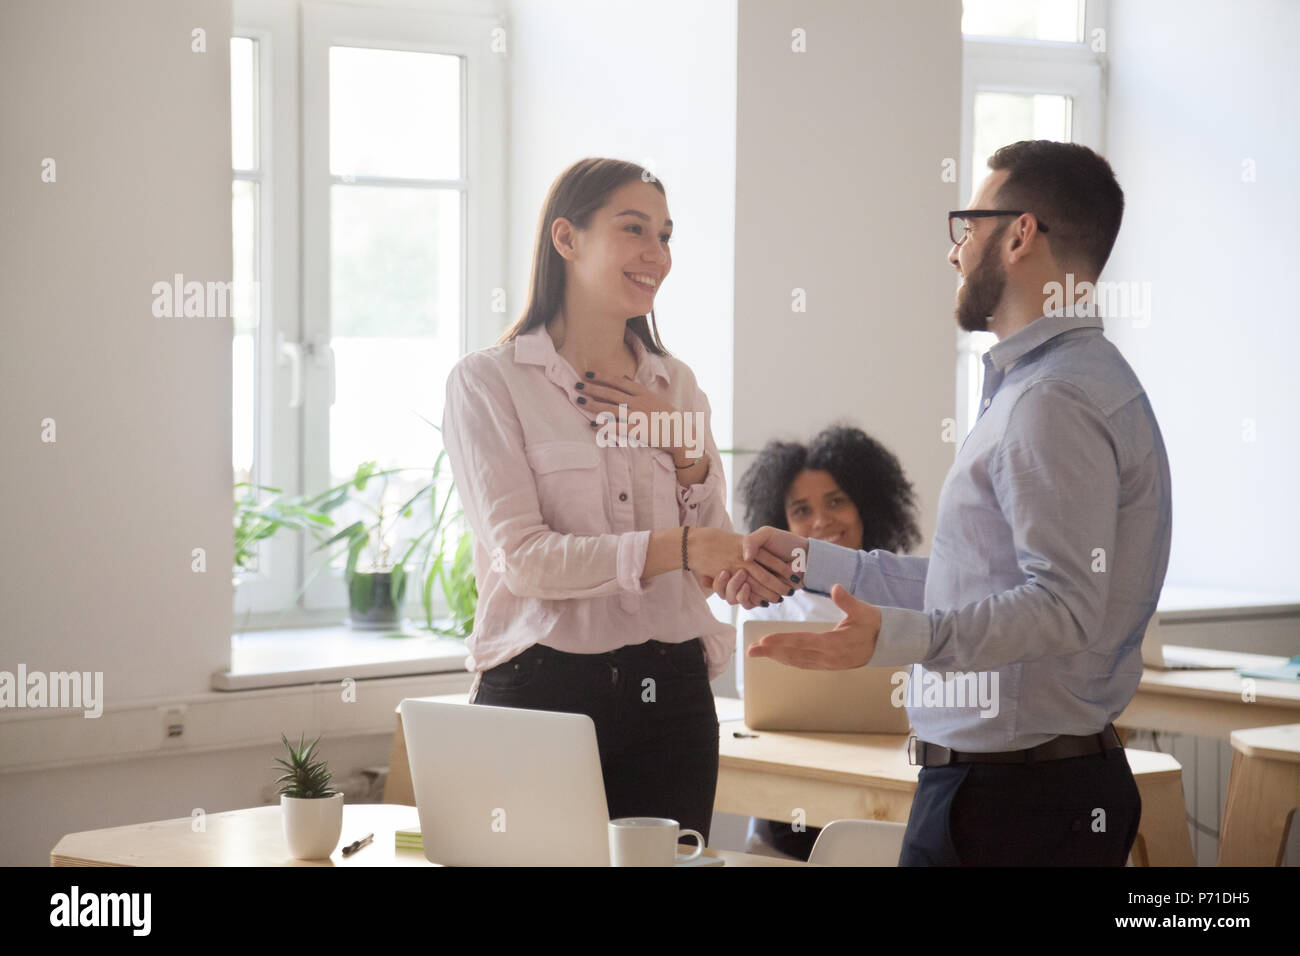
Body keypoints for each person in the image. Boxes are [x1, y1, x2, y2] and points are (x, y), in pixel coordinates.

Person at [719, 140, 1172, 866]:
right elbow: (975, 584)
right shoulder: (1054, 385)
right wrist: (810, 563)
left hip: (1012, 804)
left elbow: (1063, 605)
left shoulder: (1052, 399)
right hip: (1012, 791)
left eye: (968, 226)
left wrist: (895, 639)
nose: (955, 252)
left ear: (1020, 234)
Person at [440, 157, 795, 841]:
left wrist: (685, 454)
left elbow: (712, 561)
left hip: (675, 694)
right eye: (634, 230)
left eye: (665, 236)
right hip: (543, 693)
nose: (656, 254)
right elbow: (526, 560)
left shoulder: (679, 386)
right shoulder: (488, 383)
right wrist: (682, 546)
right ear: (566, 239)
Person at [733, 424, 920, 859]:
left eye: (836, 501)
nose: (821, 521)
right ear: (782, 523)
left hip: (887, 787)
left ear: (867, 507)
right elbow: (757, 703)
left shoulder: (907, 590)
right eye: (801, 510)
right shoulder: (766, 602)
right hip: (789, 793)